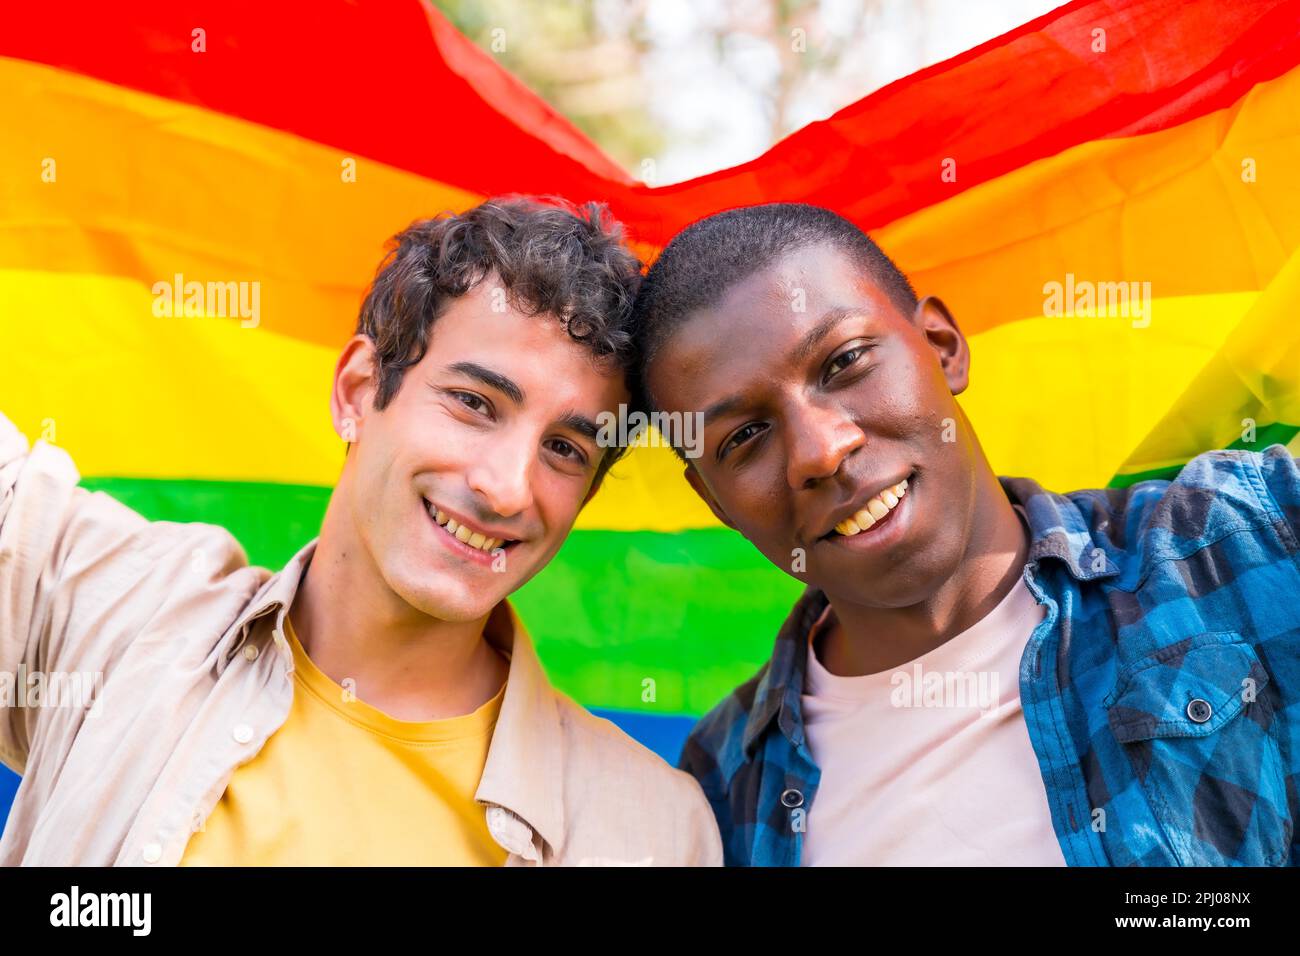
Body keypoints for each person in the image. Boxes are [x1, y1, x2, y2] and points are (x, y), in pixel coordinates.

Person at [0, 197, 722, 867]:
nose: (505, 487)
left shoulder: (651, 830)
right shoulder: (114, 610)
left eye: (565, 449)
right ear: (357, 391)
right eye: (474, 402)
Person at [630, 201, 1299, 866]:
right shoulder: (720, 787)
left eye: (845, 363)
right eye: (744, 437)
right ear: (715, 501)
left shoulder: (1245, 536)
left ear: (943, 348)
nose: (821, 450)